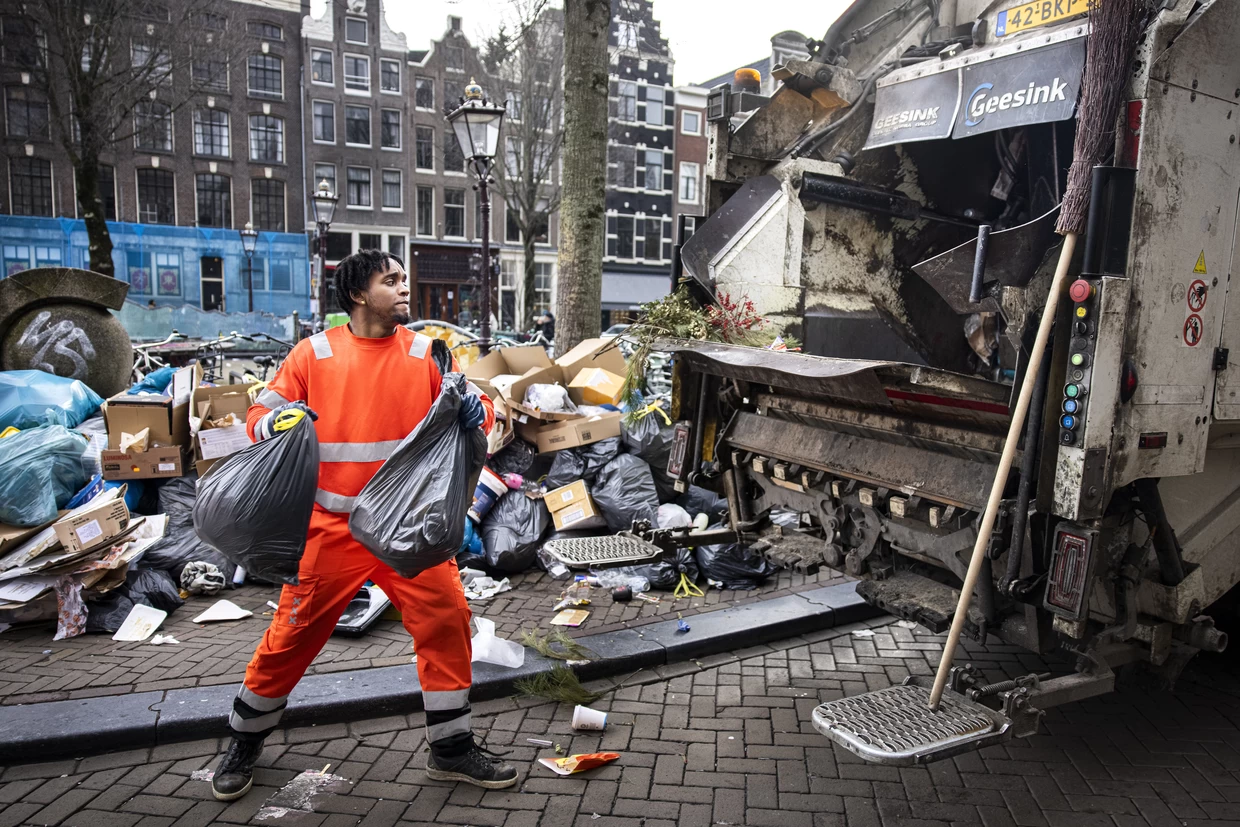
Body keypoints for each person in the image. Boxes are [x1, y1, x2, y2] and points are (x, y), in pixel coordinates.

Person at [209, 250, 516, 801]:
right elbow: (256, 418)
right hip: (333, 527)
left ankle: (450, 749)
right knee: (291, 636)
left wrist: (481, 413)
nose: (404, 288)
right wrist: (275, 420)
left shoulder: (426, 353)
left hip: (406, 526)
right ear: (357, 293)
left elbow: (477, 410)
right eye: (390, 280)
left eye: (404, 279)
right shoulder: (313, 354)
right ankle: (243, 741)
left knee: (447, 621)